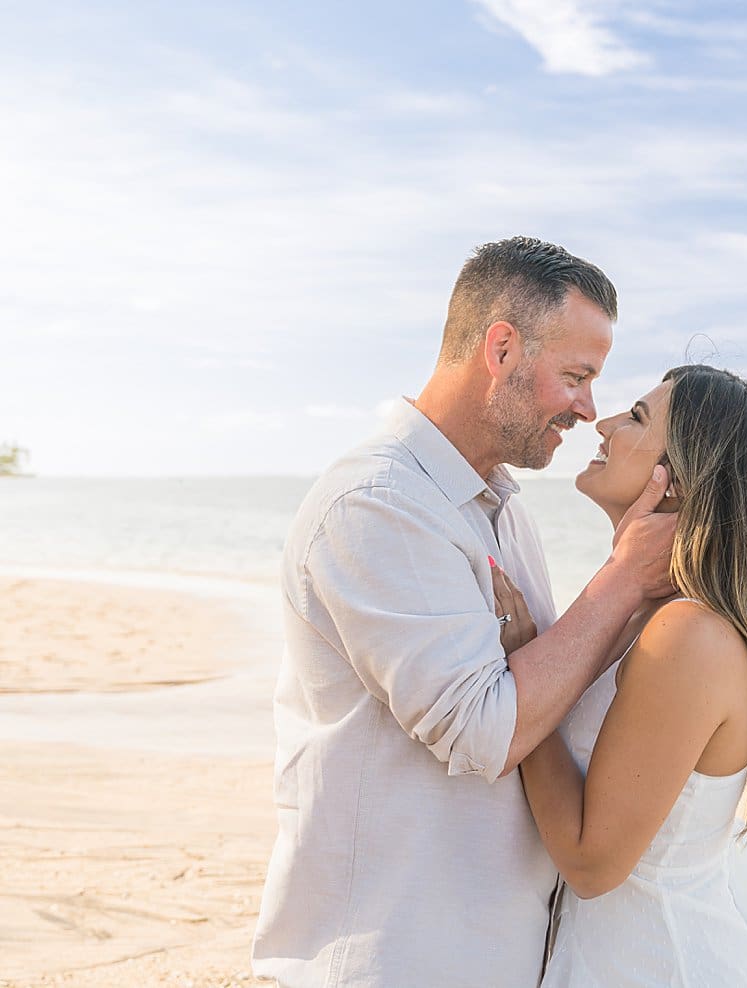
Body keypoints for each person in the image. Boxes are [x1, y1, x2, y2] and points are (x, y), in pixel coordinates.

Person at [251, 237, 678, 987]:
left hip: (484, 952)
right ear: (503, 349)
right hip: (394, 954)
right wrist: (624, 577)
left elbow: (551, 693)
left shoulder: (502, 508)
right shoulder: (379, 505)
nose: (588, 408)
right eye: (576, 376)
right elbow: (487, 733)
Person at [492, 365, 747, 986]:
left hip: (661, 961)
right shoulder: (645, 611)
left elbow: (590, 860)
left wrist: (526, 668)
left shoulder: (687, 634)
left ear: (683, 478)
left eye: (635, 417)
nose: (601, 423)